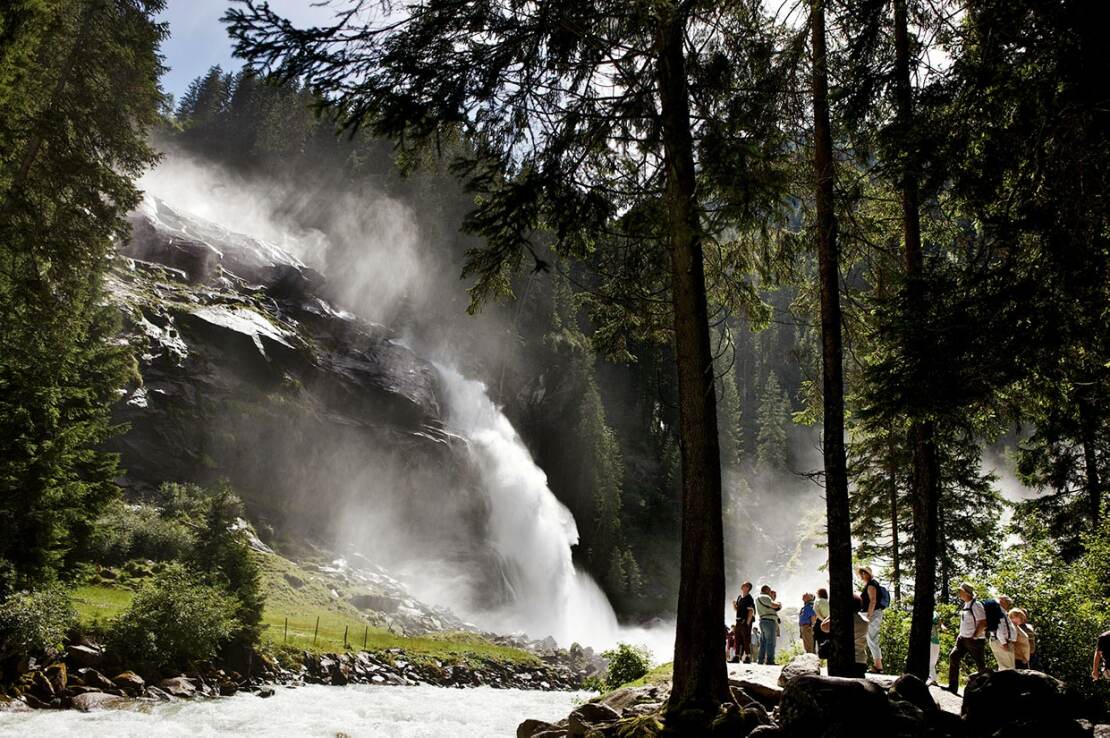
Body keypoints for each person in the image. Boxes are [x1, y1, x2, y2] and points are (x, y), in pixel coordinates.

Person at [946, 582, 987, 695]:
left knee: (980, 665)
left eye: (960, 591)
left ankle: (986, 689)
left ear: (966, 592)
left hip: (975, 641)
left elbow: (983, 622)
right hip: (962, 639)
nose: (959, 593)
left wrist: (975, 635)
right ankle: (952, 687)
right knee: (953, 657)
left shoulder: (976, 605)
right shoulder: (966, 604)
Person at [858, 566, 886, 673]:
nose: (862, 576)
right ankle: (877, 665)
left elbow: (873, 601)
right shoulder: (872, 584)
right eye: (861, 574)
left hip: (872, 615)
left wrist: (868, 617)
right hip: (872, 614)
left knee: (872, 639)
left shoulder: (871, 585)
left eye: (864, 574)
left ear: (868, 574)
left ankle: (878, 666)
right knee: (871, 639)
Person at [988, 597, 1018, 670]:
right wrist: (1004, 643)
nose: (1009, 605)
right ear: (1002, 601)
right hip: (1001, 642)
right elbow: (998, 628)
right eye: (1008, 602)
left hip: (1005, 641)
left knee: (1008, 666)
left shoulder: (1003, 612)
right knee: (1007, 668)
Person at [755, 584, 782, 665]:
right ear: (766, 590)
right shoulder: (765, 597)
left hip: (763, 621)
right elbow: (774, 605)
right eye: (769, 591)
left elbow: (768, 606)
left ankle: (760, 660)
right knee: (771, 642)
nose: (771, 592)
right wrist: (779, 604)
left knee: (763, 642)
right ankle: (770, 661)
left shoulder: (759, 598)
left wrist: (773, 597)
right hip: (769, 621)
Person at [733, 582, 755, 663]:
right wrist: (734, 605)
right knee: (737, 638)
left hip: (745, 621)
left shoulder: (749, 598)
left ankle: (748, 657)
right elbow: (737, 610)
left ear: (748, 588)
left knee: (746, 639)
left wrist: (748, 622)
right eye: (742, 585)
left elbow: (751, 610)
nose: (742, 586)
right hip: (738, 620)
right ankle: (737, 656)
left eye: (745, 585)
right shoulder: (739, 597)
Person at [929, 612, 945, 685]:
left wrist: (941, 624)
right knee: (931, 663)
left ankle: (933, 680)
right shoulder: (935, 613)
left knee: (931, 663)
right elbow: (939, 623)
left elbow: (938, 623)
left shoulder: (934, 613)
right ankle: (933, 679)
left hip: (933, 642)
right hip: (934, 642)